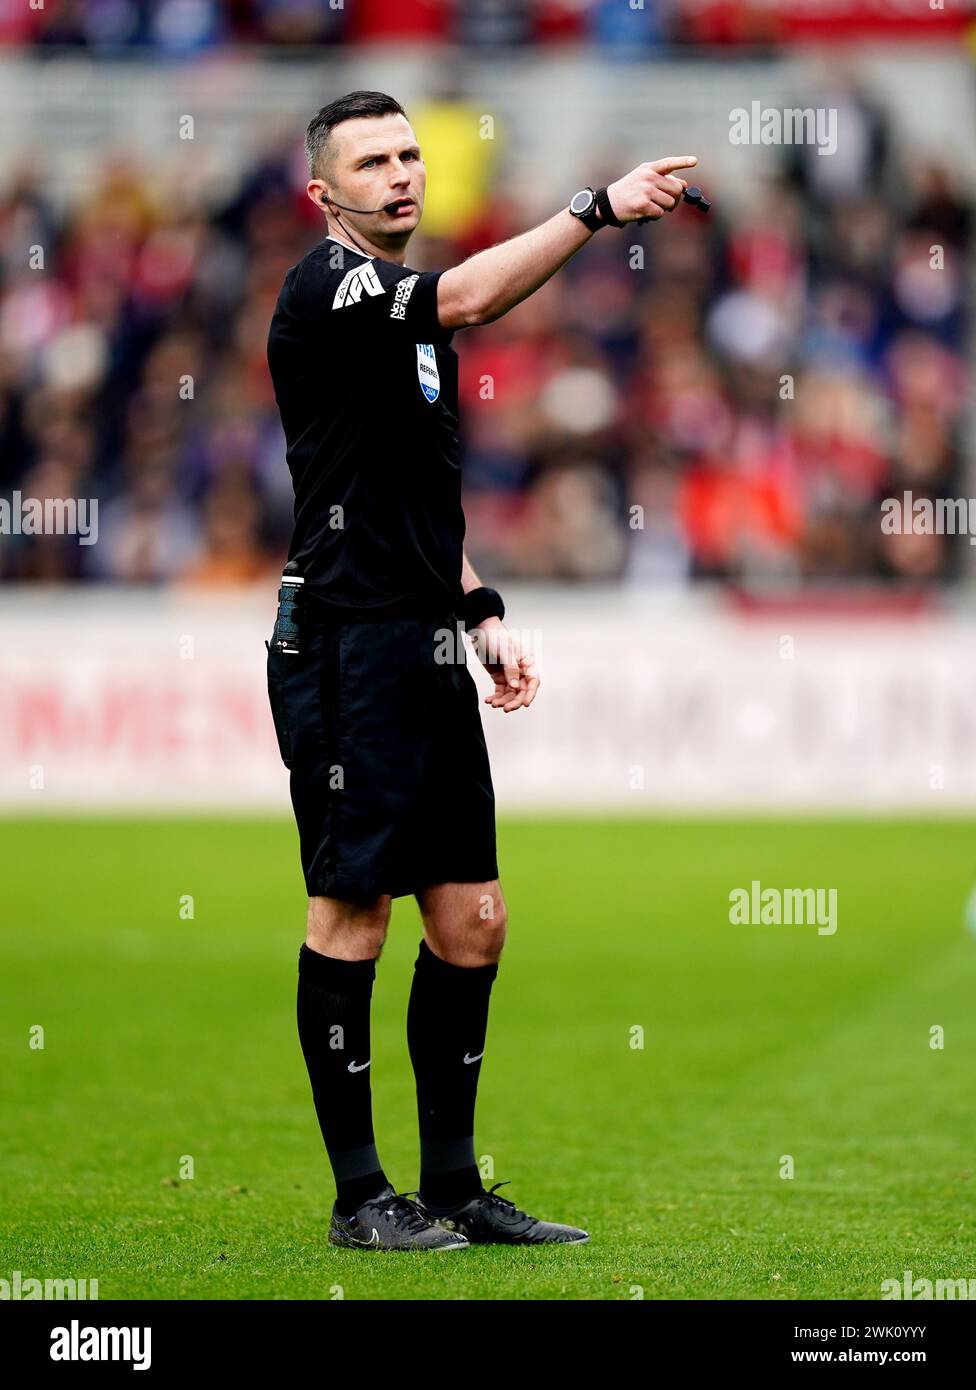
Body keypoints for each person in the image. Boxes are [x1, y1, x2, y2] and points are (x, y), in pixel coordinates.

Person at [265, 88, 696, 1251]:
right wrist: (593, 209)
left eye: (409, 154)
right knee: (351, 912)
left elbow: (420, 498)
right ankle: (363, 1199)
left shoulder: (408, 329)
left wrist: (480, 609)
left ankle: (452, 1185)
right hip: (347, 642)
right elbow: (466, 294)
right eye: (372, 162)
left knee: (473, 922)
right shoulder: (334, 288)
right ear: (326, 194)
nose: (401, 174)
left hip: (423, 635)